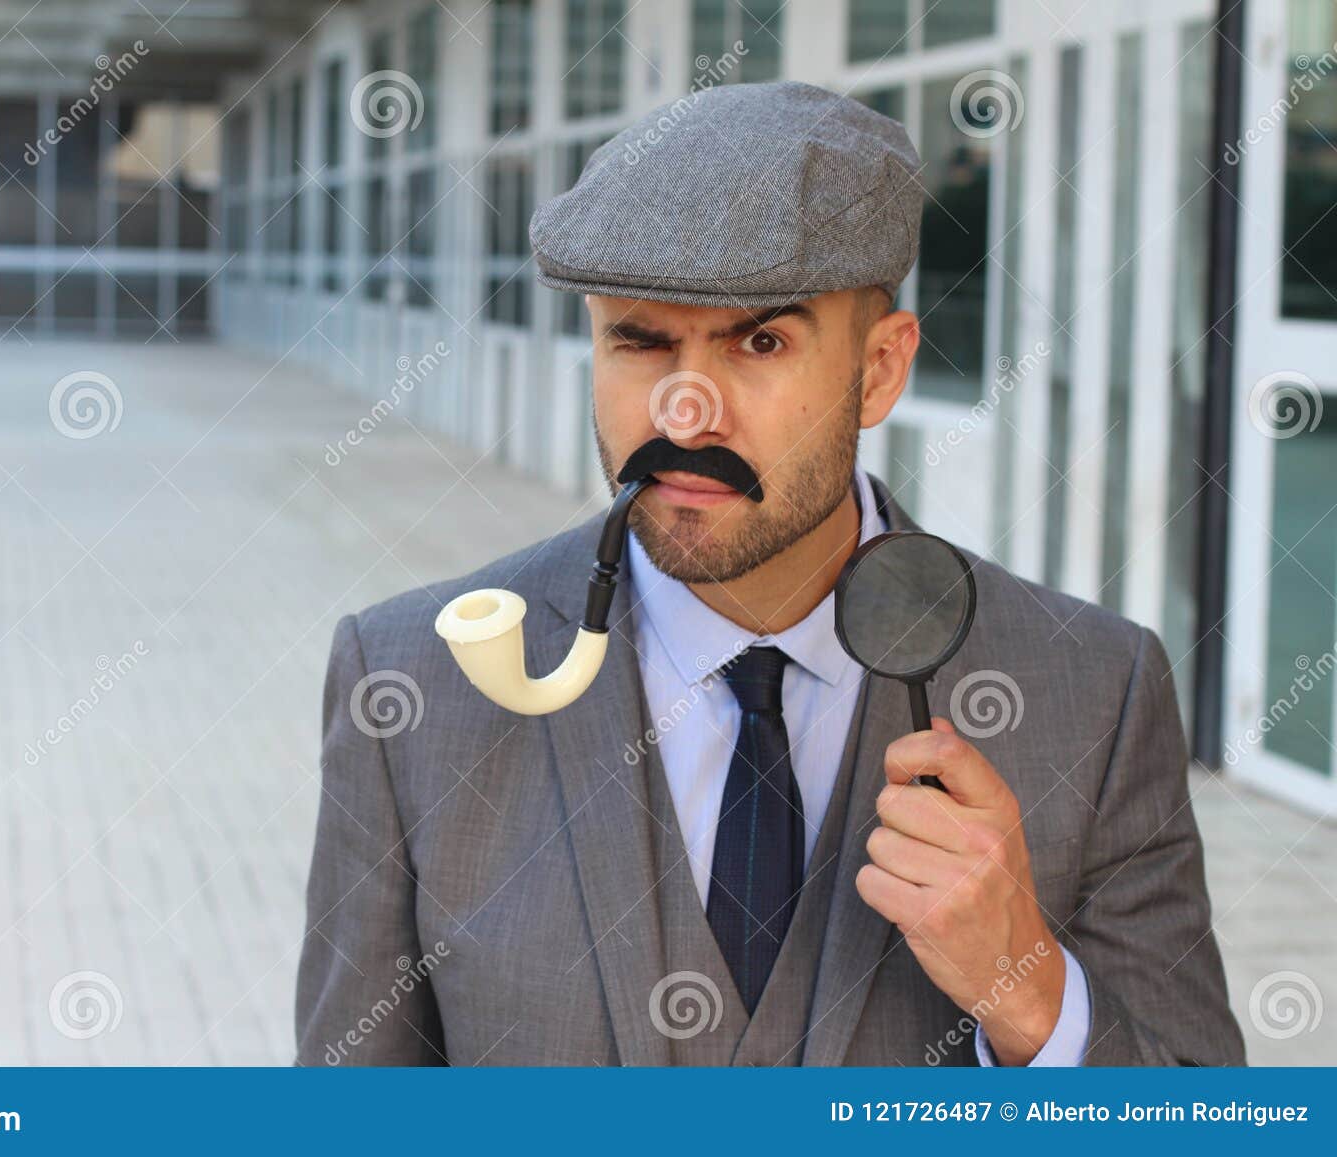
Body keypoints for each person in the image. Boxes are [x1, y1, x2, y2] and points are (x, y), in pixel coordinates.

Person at [295, 81, 1244, 1066]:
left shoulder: (1094, 691)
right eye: (639, 340)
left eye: (759, 342)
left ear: (879, 369)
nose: (685, 413)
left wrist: (1033, 992)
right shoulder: (409, 682)